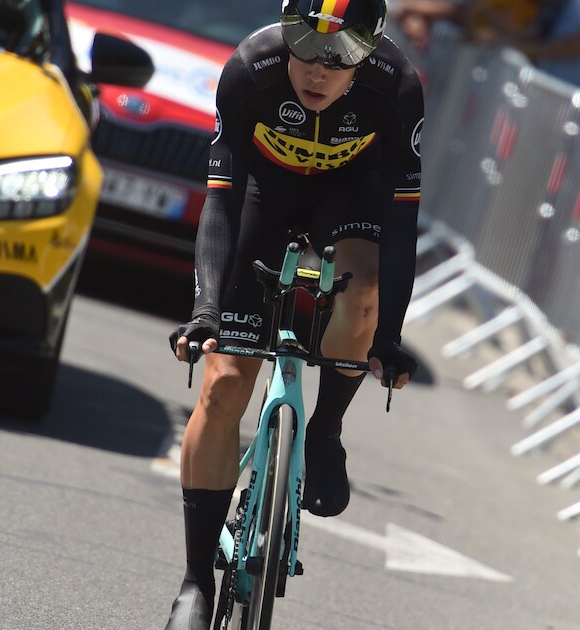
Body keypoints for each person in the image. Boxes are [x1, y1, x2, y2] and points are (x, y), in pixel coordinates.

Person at [164, 0, 424, 627]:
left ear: (368, 52)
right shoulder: (251, 68)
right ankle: (196, 582)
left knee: (360, 289)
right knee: (224, 382)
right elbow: (220, 202)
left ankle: (326, 433)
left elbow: (401, 217)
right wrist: (205, 311)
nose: (318, 70)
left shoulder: (397, 86)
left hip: (349, 194)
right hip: (263, 194)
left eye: (338, 59)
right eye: (306, 48)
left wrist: (387, 338)